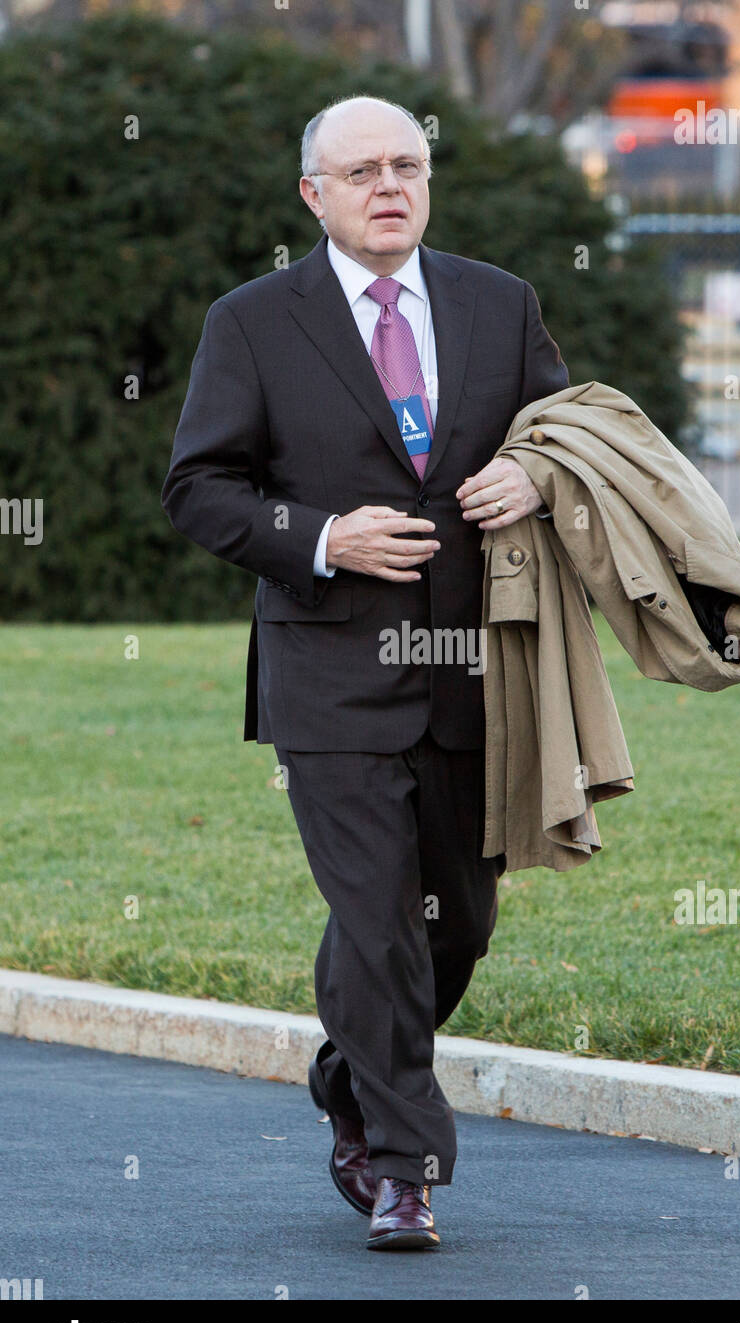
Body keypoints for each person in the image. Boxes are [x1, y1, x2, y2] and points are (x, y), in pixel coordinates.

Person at [162, 94, 569, 1251]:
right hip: (329, 673)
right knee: (378, 916)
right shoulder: (251, 322)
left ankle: (347, 1073)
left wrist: (537, 478)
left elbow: (568, 433)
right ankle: (403, 1166)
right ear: (315, 196)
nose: (389, 185)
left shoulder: (501, 302)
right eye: (361, 171)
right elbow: (200, 487)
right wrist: (326, 538)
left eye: (407, 164)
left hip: (474, 669)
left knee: (456, 925)